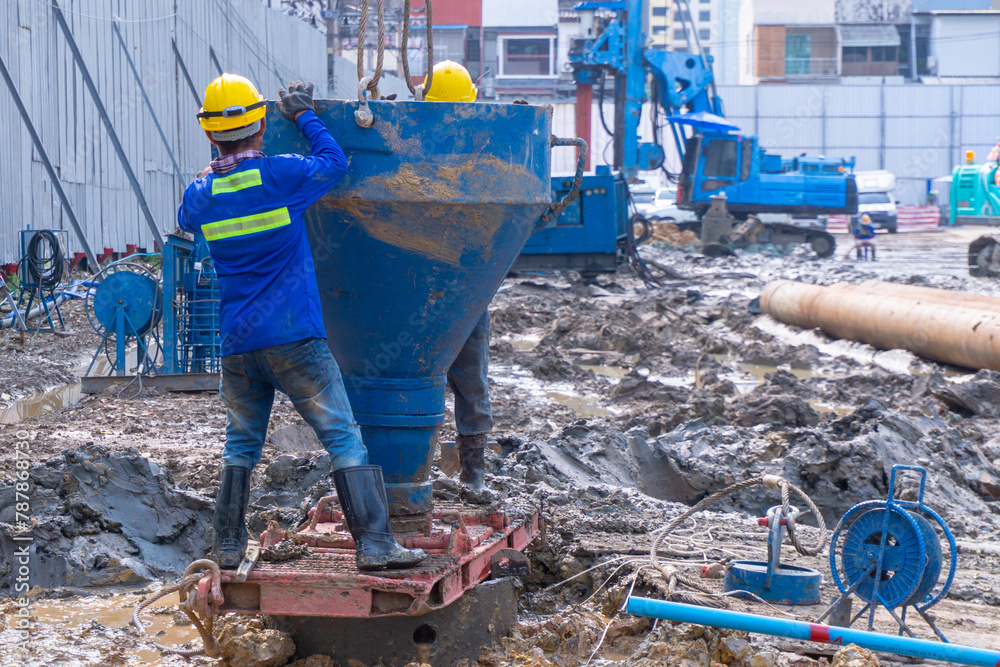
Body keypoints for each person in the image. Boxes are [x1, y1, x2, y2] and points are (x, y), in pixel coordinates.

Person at [178, 73, 425, 572]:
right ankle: (375, 544)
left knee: (241, 441)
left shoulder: (201, 194)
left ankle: (227, 547)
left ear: (209, 134)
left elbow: (186, 215)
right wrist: (306, 115)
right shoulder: (281, 176)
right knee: (342, 437)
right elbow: (336, 163)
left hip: (238, 345)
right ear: (263, 123)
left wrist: (215, 171)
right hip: (295, 339)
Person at [422, 61, 493, 491]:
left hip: (421, 286)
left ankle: (413, 466)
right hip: (469, 285)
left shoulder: (412, 146)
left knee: (416, 375)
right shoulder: (484, 151)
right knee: (471, 380)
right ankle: (475, 475)